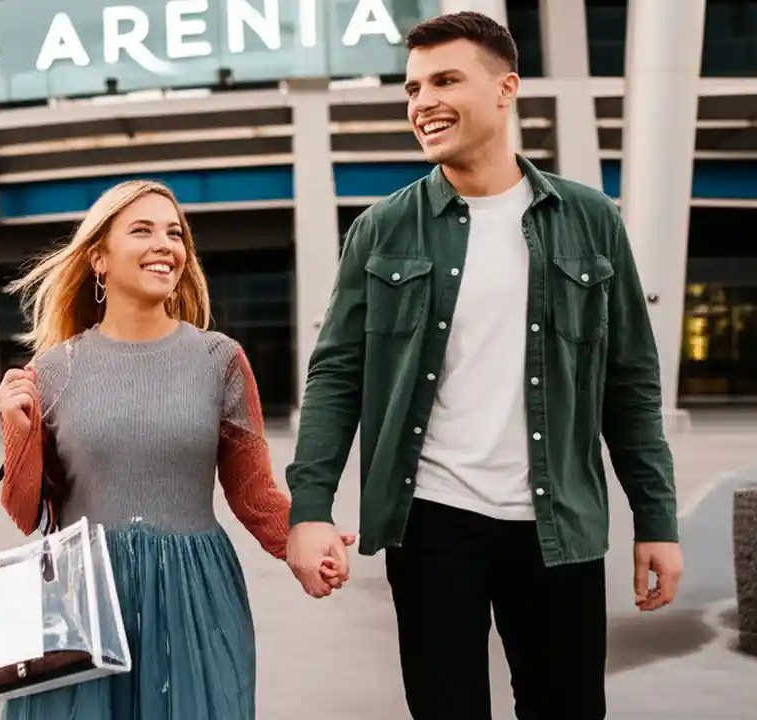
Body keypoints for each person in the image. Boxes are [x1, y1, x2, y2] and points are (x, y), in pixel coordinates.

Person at [284, 11, 683, 720]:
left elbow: (630, 382)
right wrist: (310, 511)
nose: (423, 102)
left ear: (506, 89)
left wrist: (656, 518)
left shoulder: (590, 219)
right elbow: (336, 377)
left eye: (445, 81)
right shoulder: (382, 228)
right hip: (432, 523)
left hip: (559, 524)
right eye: (413, 88)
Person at [0, 179, 348, 719]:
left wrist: (303, 539)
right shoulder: (53, 371)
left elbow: (253, 493)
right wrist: (16, 429)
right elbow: (26, 513)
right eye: (142, 231)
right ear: (98, 259)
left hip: (195, 592)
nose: (165, 245)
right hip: (80, 597)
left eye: (175, 233)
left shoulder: (219, 360)